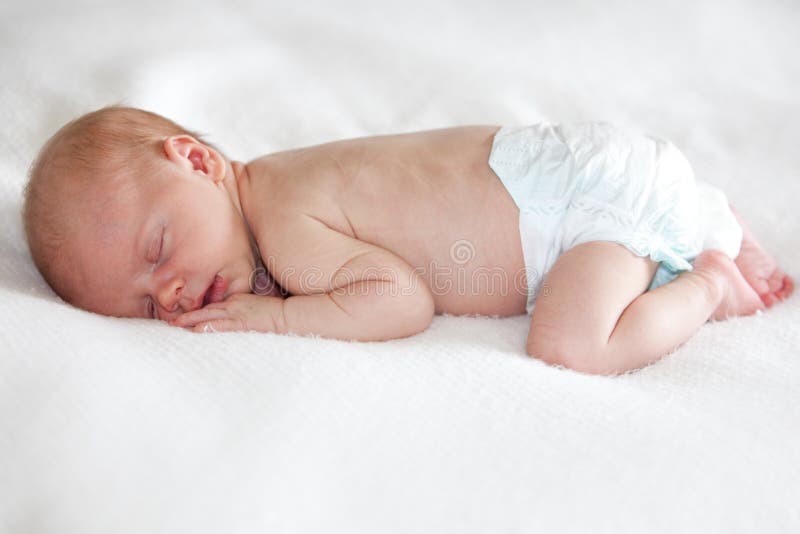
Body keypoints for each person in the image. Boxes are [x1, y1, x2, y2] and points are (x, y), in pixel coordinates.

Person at [22, 106, 794, 375]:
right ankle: (710, 215)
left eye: (158, 250)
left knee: (571, 347)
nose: (172, 293)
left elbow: (401, 303)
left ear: (198, 160)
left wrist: (282, 317)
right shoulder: (279, 182)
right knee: (631, 236)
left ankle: (708, 282)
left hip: (576, 207)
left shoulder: (286, 227)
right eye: (147, 306)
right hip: (586, 165)